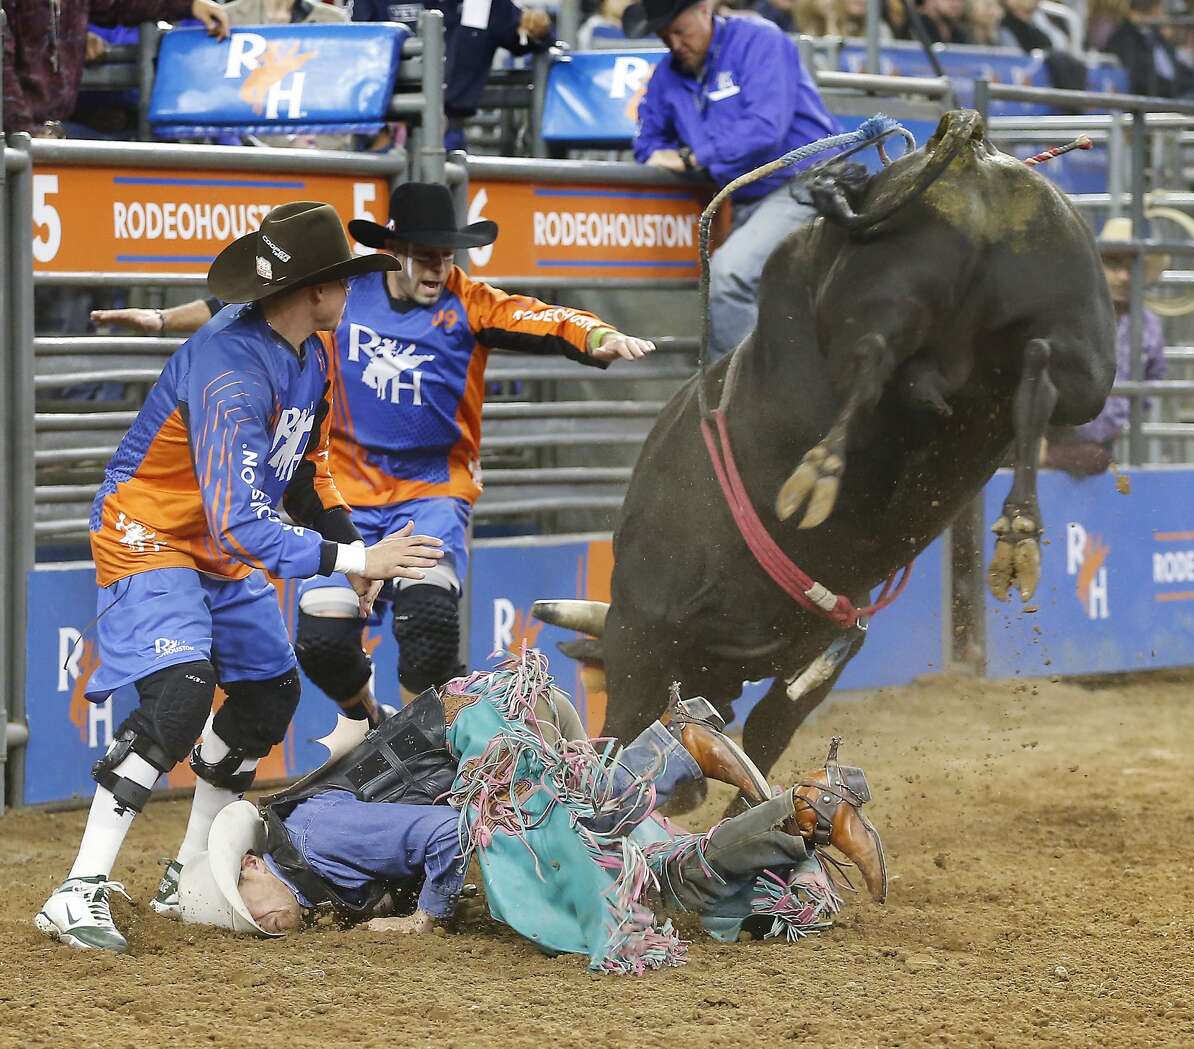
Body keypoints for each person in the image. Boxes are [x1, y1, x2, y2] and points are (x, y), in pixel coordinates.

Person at [33, 202, 449, 954]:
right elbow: (242, 526)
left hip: (210, 540)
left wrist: (347, 544)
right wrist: (360, 561)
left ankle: (187, 870)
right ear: (317, 289)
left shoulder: (309, 354)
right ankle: (78, 889)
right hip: (150, 530)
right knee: (183, 688)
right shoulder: (229, 372)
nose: (354, 291)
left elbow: (306, 475)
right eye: (346, 278)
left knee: (269, 690)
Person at [91, 182, 655, 736]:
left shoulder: (470, 303)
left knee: (428, 621)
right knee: (323, 643)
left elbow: (540, 318)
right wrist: (163, 321)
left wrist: (595, 336)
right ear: (395, 253)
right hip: (347, 490)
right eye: (425, 255)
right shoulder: (339, 294)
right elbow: (236, 306)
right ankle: (370, 723)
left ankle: (430, 753)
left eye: (446, 255)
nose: (437, 267)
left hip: (432, 491)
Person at [178, 652, 887, 971]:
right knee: (617, 847)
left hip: (482, 735)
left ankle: (788, 804)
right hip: (493, 725)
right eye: (256, 929)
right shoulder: (312, 855)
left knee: (613, 891)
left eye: (250, 902)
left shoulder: (316, 834)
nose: (266, 921)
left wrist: (427, 915)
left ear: (251, 862)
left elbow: (446, 831)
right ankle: (686, 751)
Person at [626, 0, 838, 358]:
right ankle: (751, 395)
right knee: (739, 287)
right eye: (665, 36)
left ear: (705, 10)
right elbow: (648, 137)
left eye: (679, 31)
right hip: (746, 197)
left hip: (802, 181)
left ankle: (740, 401)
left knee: (728, 279)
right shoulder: (668, 75)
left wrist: (693, 157)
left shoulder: (760, 42)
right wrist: (656, 154)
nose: (674, 43)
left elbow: (765, 128)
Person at [1043, 217, 1169, 476]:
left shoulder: (1148, 326)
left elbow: (1152, 380)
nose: (1123, 277)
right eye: (1113, 263)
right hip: (1050, 433)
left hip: (1100, 444)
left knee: (1097, 461)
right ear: (1097, 265)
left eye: (1133, 267)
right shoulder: (1067, 312)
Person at [1, 0, 230, 137]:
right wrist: (26, 133)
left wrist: (189, 5)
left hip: (45, 133)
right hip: (14, 140)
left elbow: (120, 4)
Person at [349, 0, 553, 151]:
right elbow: (353, 51)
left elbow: (529, 36)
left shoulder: (483, 4)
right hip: (383, 132)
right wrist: (377, 134)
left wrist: (537, 27)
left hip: (448, 135)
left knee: (444, 202)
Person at [1105, 0, 1194, 99]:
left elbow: (1177, 66)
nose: (1162, 11)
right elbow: (1140, 80)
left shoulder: (1155, 34)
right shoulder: (1125, 38)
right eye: (1160, 6)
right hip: (1158, 101)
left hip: (1180, 92)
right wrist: (1176, 86)